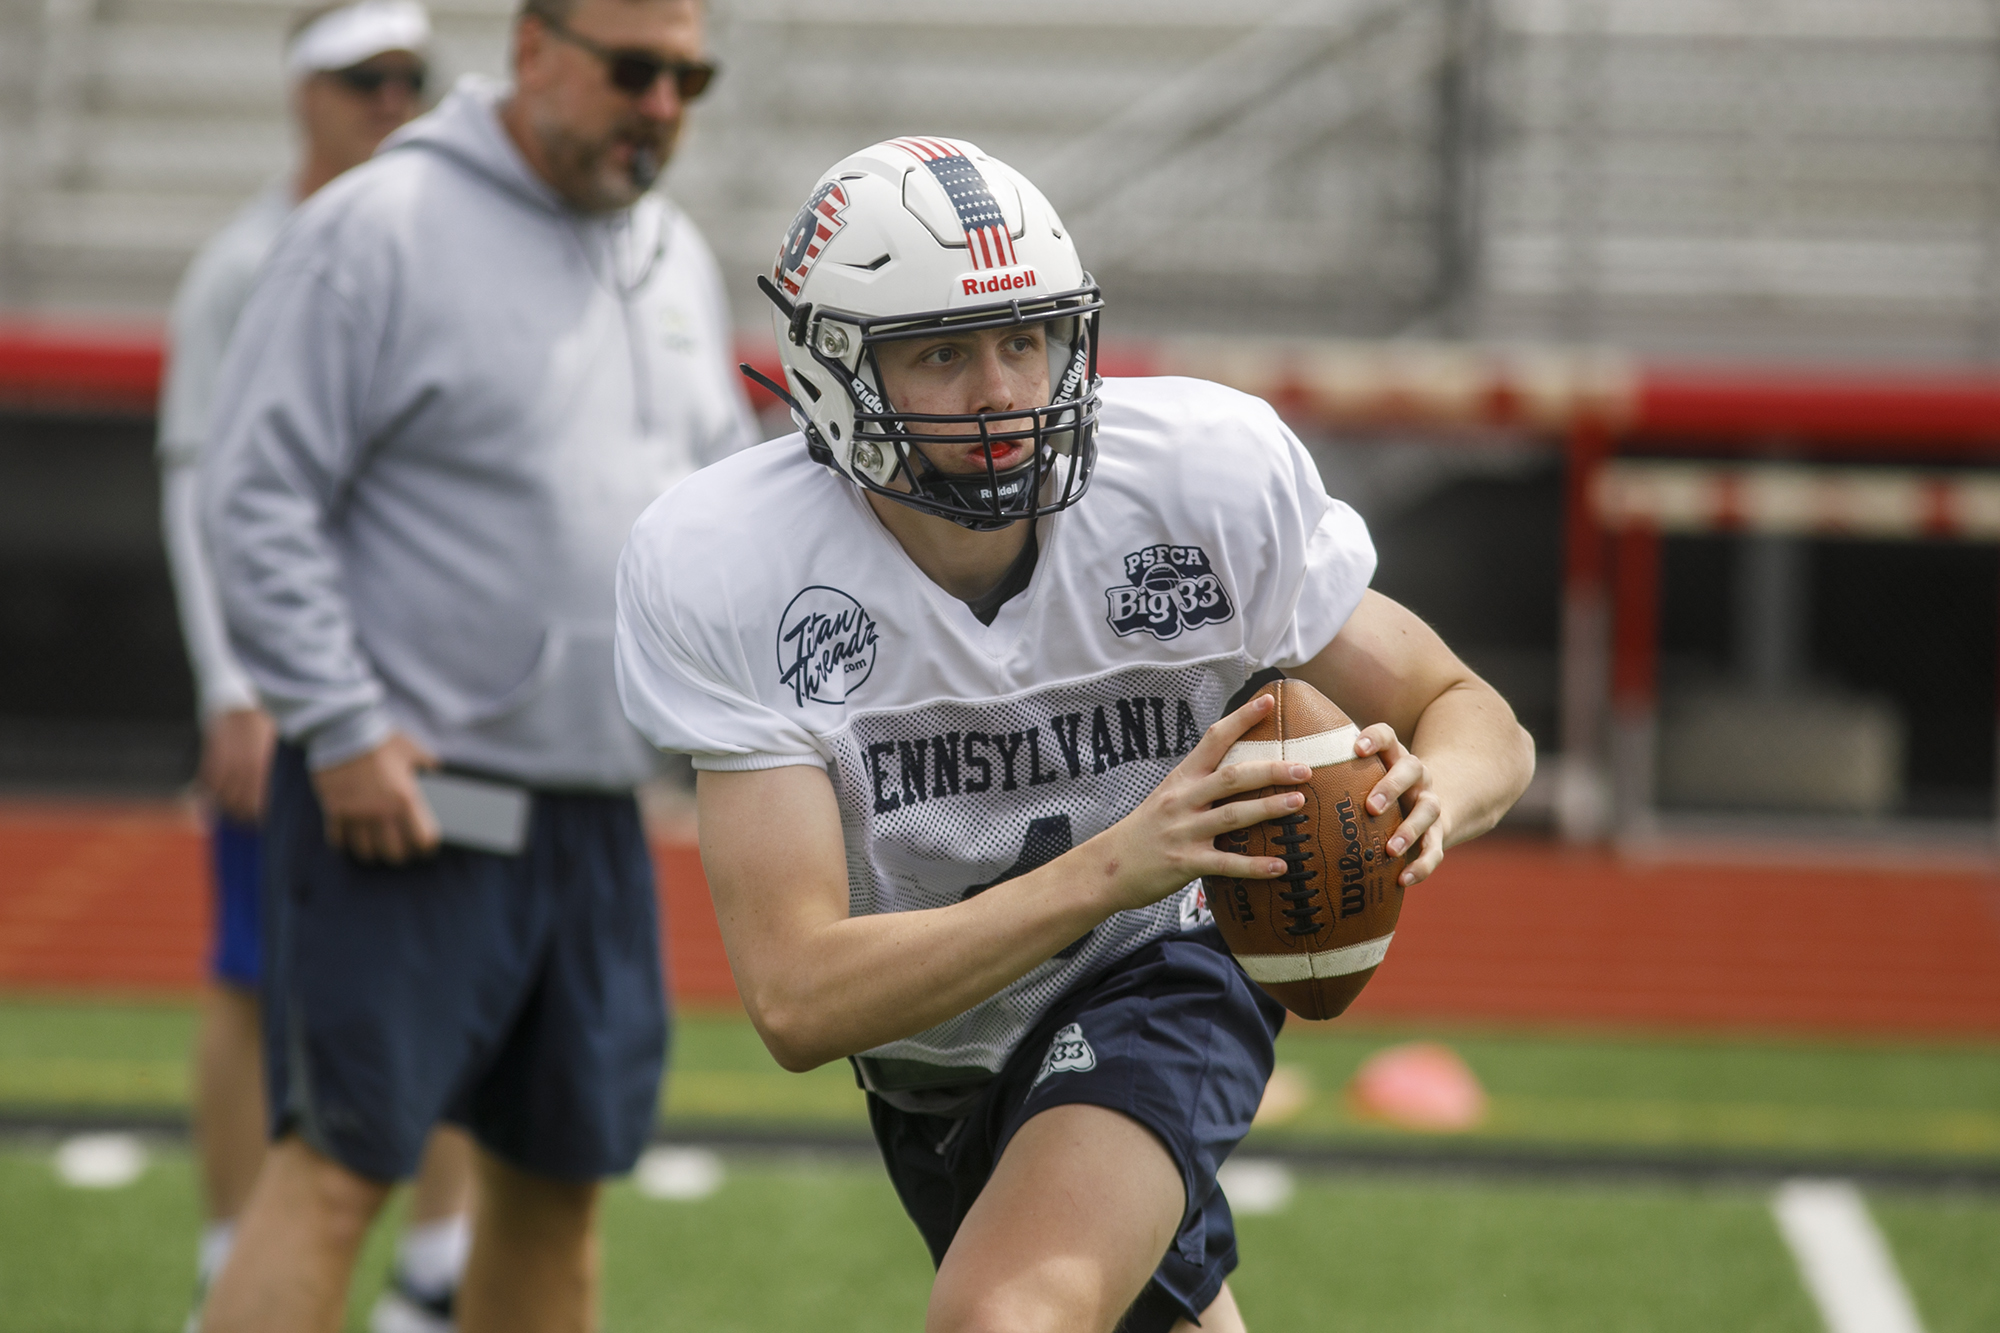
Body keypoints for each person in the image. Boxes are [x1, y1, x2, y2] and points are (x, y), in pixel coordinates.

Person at [614, 137, 1536, 1333]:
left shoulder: (1194, 482)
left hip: (1168, 955)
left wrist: (1433, 794)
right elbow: (797, 997)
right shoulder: (732, 561)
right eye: (942, 352)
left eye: (1025, 338)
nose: (1001, 389)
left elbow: (1471, 714)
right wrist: (1109, 859)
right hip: (936, 1056)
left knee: (1005, 1316)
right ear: (829, 369)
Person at [195, 0, 752, 1325]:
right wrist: (338, 726)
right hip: (411, 807)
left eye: (691, 77)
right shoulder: (379, 228)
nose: (663, 106)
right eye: (635, 71)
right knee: (335, 1177)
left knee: (559, 1190)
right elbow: (254, 496)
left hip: (596, 810)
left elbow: (723, 512)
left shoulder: (675, 254)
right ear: (533, 49)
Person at [156, 5, 479, 1330]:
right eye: (364, 79)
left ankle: (439, 1267)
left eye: (411, 78)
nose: (392, 101)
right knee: (248, 968)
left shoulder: (447, 244)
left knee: (465, 966)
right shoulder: (245, 262)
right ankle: (231, 1255)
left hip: (431, 691)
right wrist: (233, 683)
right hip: (297, 690)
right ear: (303, 91)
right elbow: (201, 483)